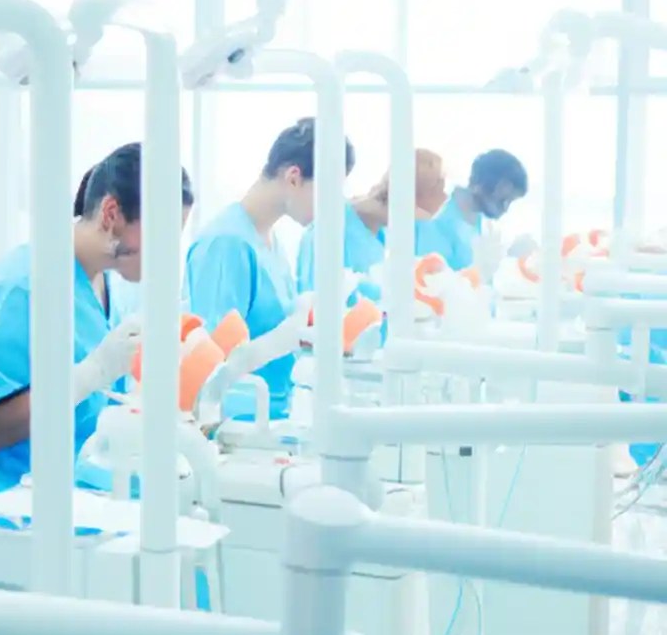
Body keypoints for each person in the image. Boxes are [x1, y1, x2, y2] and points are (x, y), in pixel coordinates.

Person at [0, 142, 195, 494]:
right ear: (111, 214)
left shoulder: (117, 284)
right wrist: (89, 374)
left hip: (91, 493)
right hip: (14, 505)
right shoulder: (19, 287)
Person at [184, 117, 355, 420]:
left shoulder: (271, 240)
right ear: (293, 177)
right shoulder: (227, 244)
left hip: (270, 419)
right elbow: (208, 367)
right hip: (231, 425)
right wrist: (284, 337)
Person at [296, 148, 448, 295]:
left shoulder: (378, 233)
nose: (417, 224)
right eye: (421, 217)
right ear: (407, 202)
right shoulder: (328, 232)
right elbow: (315, 310)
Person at [416, 148, 528, 272]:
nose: (505, 209)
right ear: (482, 183)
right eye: (503, 200)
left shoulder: (481, 225)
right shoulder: (437, 218)